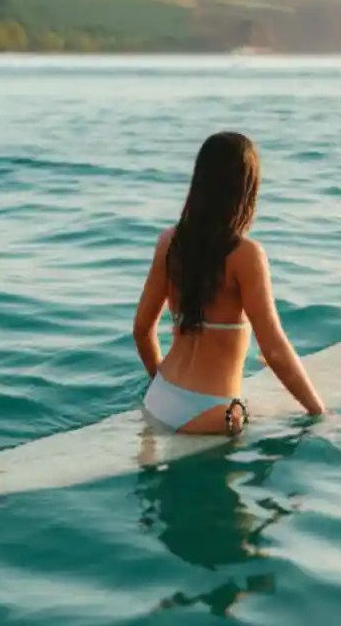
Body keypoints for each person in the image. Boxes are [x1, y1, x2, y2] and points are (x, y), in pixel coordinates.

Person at [133, 132, 325, 435]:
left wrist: (164, 389)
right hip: (211, 412)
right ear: (245, 190)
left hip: (158, 398)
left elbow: (142, 330)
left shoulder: (169, 242)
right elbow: (274, 350)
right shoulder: (246, 255)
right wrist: (320, 412)